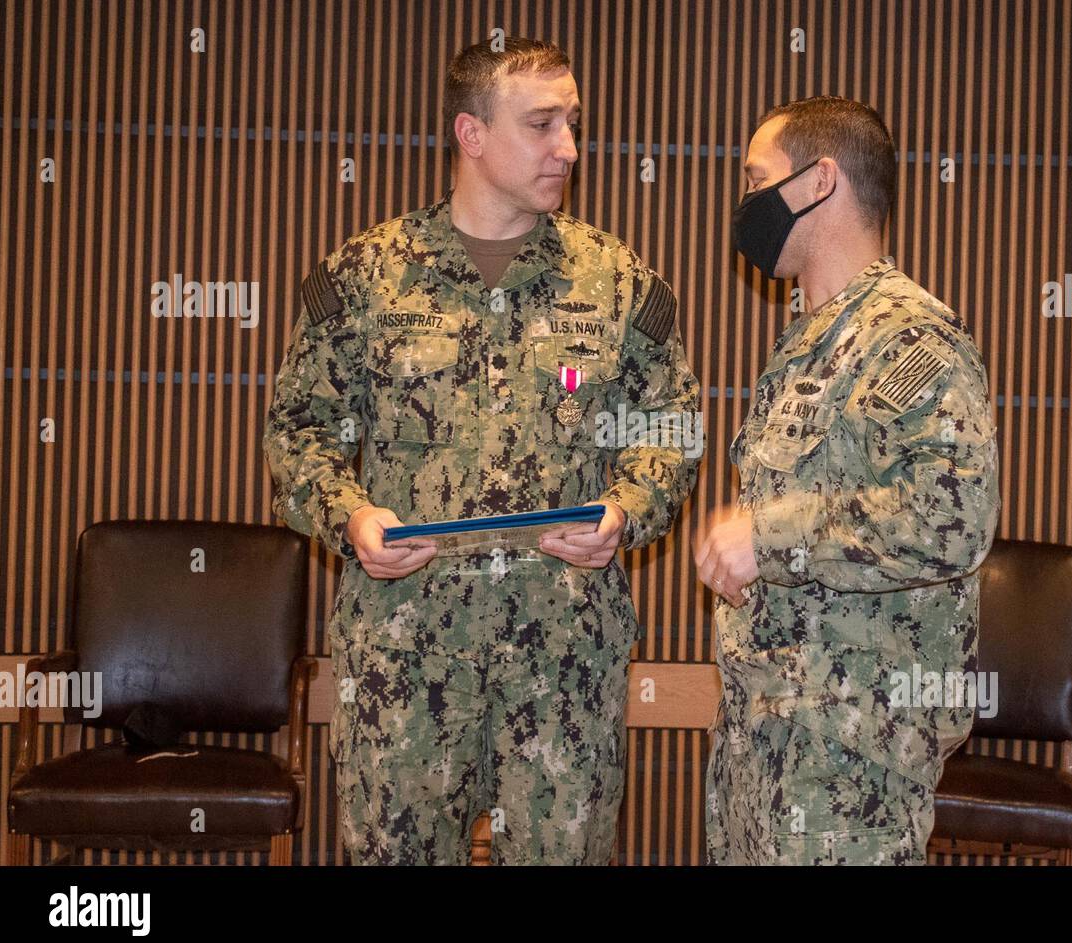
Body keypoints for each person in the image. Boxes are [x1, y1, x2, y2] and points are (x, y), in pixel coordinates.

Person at [264, 37, 700, 864]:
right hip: (406, 657)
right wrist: (351, 517)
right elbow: (299, 434)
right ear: (471, 134)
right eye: (542, 124)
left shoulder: (616, 281)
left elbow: (670, 428)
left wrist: (626, 510)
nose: (568, 146)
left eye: (572, 123)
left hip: (563, 660)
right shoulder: (365, 277)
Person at [695, 96, 1000, 865]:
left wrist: (767, 535)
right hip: (766, 744)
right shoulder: (809, 342)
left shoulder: (907, 335)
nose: (746, 204)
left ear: (818, 180)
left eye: (758, 178)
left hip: (847, 764)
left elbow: (953, 517)